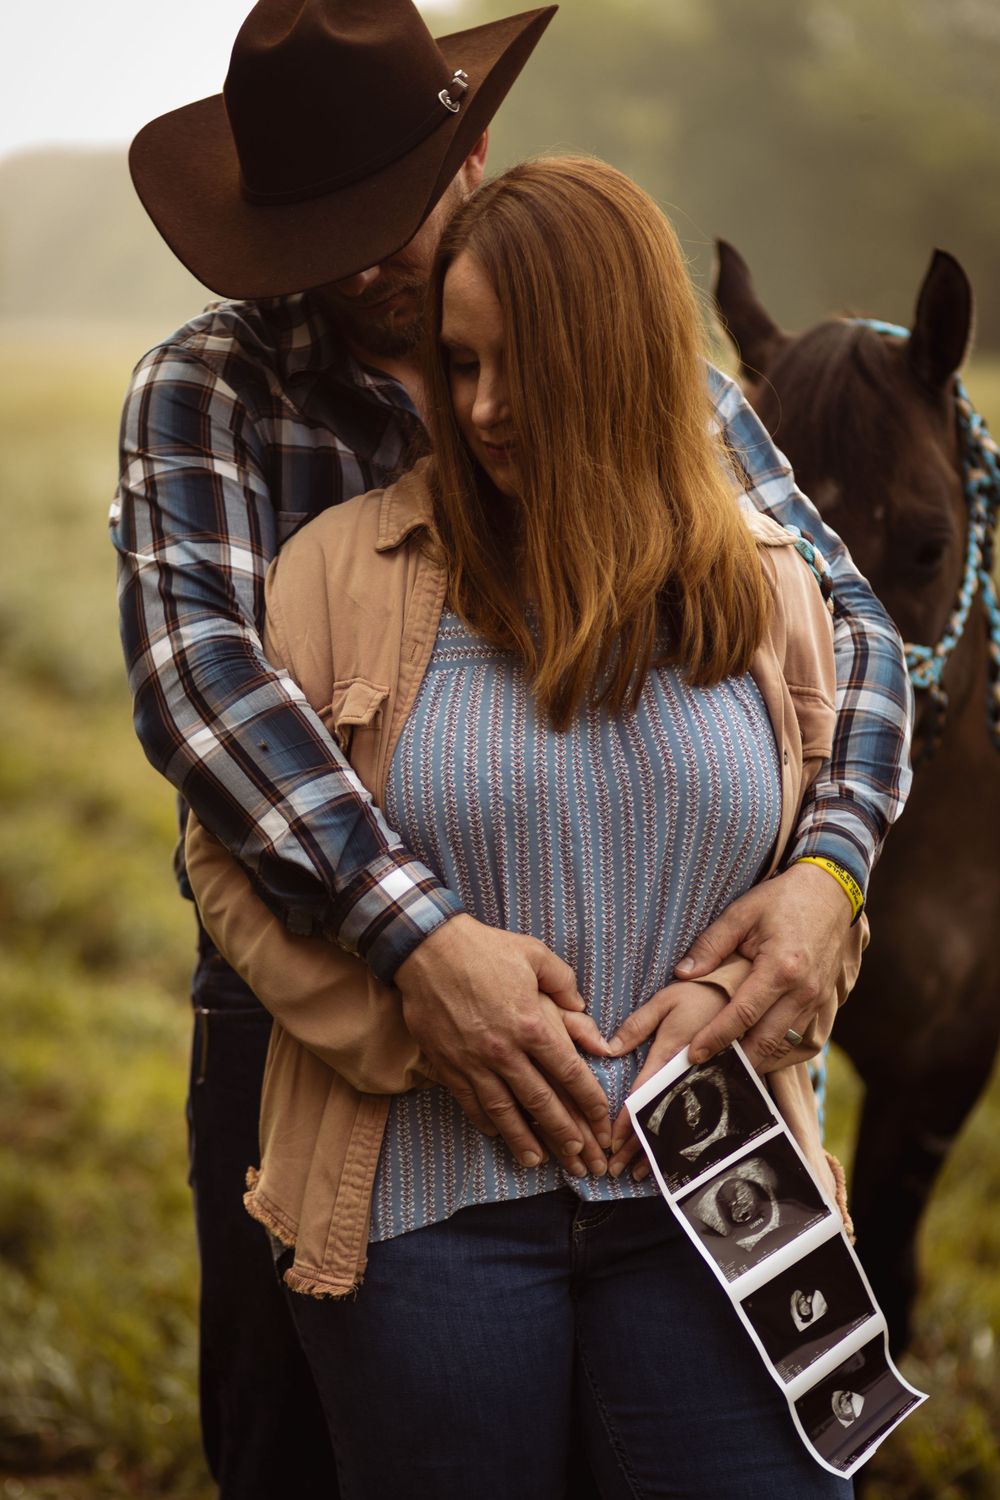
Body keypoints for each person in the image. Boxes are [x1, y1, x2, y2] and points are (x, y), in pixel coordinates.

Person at [113, 0, 911, 1490]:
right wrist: (417, 942)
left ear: (470, 153)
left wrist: (828, 877)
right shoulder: (213, 388)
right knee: (288, 1439)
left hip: (656, 1042)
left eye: (388, 221)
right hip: (324, 988)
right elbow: (204, 687)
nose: (360, 267)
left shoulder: (660, 394)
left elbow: (851, 638)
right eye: (320, 232)